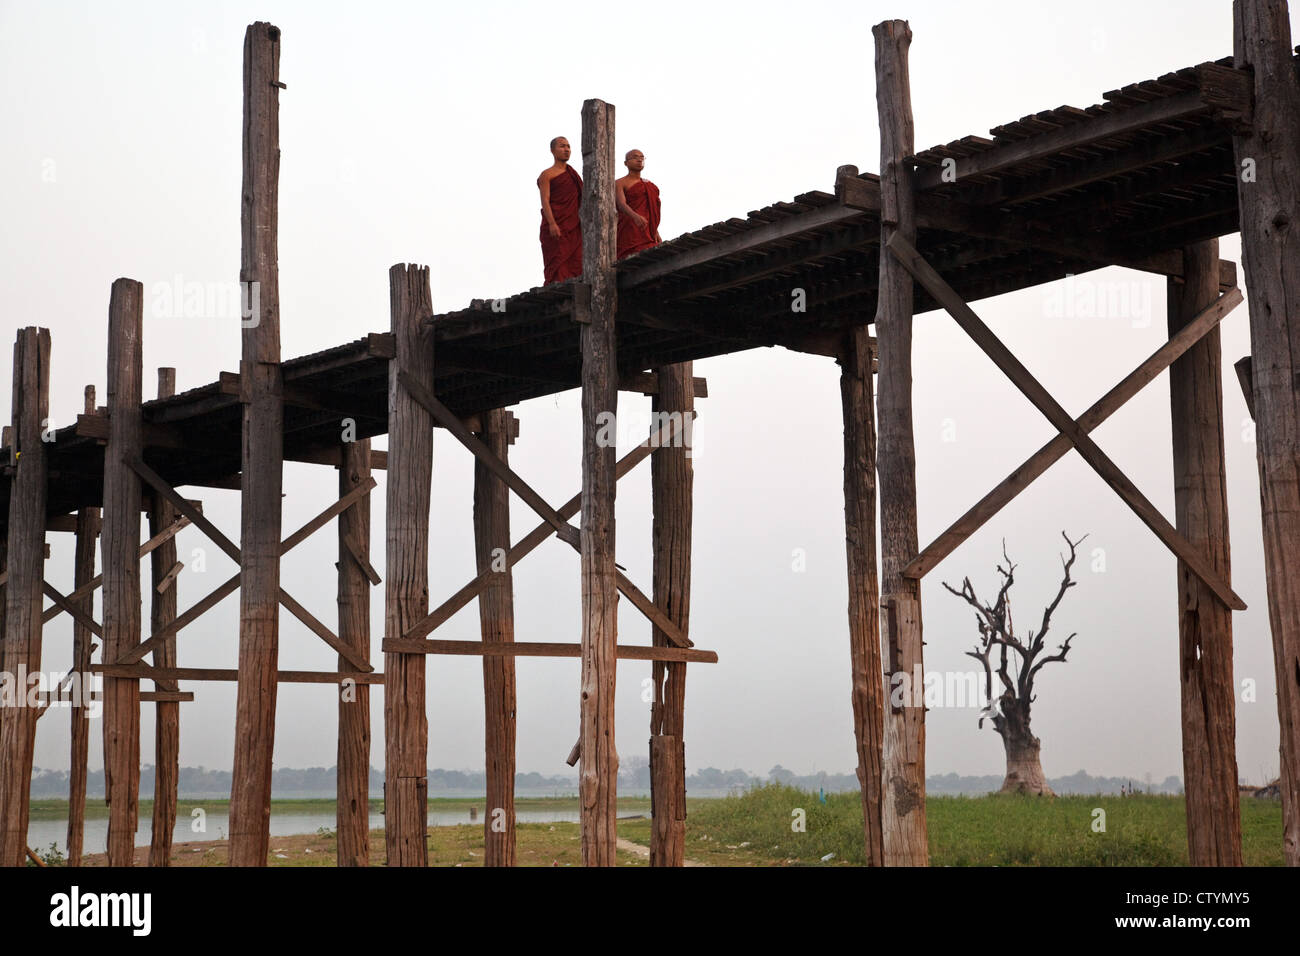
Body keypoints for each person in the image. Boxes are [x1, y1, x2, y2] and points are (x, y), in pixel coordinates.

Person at [538, 136, 583, 283]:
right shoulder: (547, 174)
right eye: (562, 146)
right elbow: (545, 200)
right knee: (557, 261)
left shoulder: (573, 175)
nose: (567, 150)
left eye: (568, 146)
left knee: (576, 261)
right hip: (556, 224)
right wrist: (552, 223)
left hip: (574, 226)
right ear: (552, 150)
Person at [615, 149, 661, 259]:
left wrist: (655, 231)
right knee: (630, 257)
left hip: (647, 231)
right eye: (635, 157)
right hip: (629, 228)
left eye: (642, 157)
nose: (639, 160)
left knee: (652, 256)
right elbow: (621, 204)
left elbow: (650, 212)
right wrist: (635, 216)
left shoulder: (649, 185)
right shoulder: (620, 183)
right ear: (626, 163)